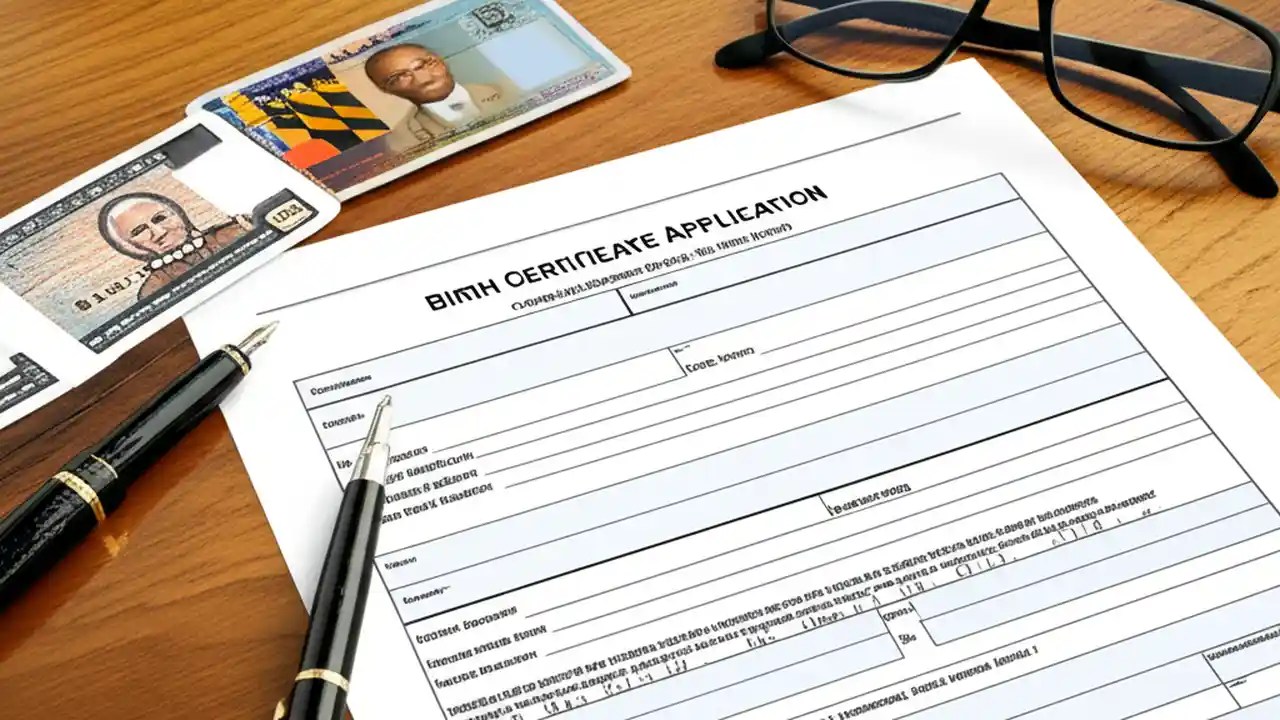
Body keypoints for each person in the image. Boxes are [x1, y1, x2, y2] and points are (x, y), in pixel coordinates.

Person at [97, 193, 244, 301]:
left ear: (179, 215)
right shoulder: (154, 290)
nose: (159, 232)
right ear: (128, 247)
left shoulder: (236, 231)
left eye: (160, 218)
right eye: (139, 231)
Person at [363, 43, 508, 149]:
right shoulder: (403, 138)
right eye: (399, 77)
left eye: (422, 65)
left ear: (441, 61)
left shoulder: (507, 88)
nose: (423, 79)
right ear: (385, 89)